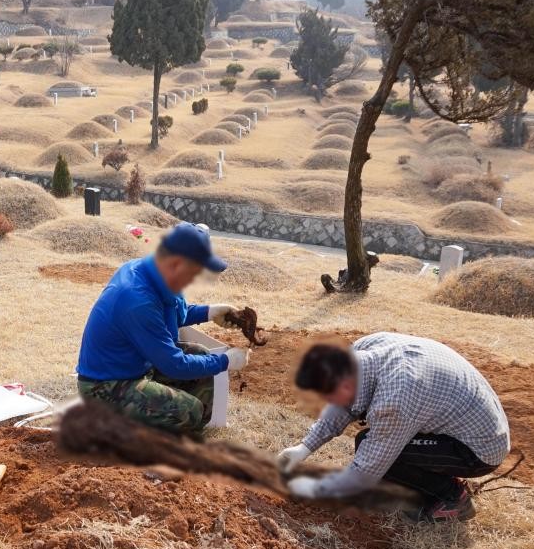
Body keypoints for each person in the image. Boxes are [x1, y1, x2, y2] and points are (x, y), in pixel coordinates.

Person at [277, 333, 510, 522]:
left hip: (480, 448)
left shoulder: (395, 399)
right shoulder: (365, 348)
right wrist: (304, 447)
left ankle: (452, 496)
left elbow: (366, 470)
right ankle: (435, 473)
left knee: (380, 454)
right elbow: (342, 406)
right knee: (378, 445)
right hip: (463, 417)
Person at [76, 223, 249, 437]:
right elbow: (174, 364)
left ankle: (180, 429)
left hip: (135, 368)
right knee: (189, 410)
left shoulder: (155, 276)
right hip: (104, 386)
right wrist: (225, 362)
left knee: (200, 355)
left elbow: (172, 314)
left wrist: (208, 312)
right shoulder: (136, 300)